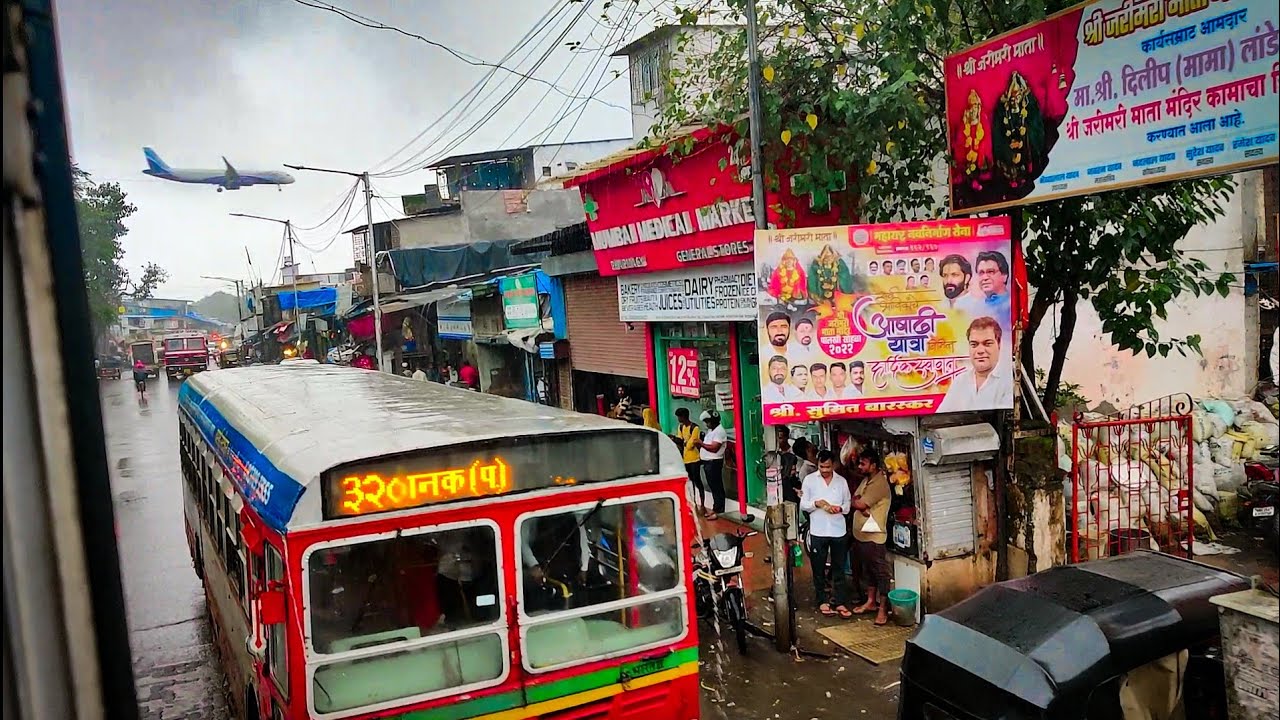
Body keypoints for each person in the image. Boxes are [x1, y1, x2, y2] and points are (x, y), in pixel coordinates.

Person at [799, 450, 852, 618]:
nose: (824, 470)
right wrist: (817, 503)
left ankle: (840, 601)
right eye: (821, 467)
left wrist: (839, 508)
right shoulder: (809, 480)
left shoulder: (841, 482)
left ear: (833, 465)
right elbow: (803, 505)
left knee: (839, 568)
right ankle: (822, 600)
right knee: (818, 568)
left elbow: (848, 504)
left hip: (838, 530)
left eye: (828, 467)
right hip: (818, 530)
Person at [850, 448, 892, 625]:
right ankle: (870, 602)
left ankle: (883, 609)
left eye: (863, 464)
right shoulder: (867, 480)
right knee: (868, 571)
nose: (859, 467)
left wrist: (859, 504)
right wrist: (858, 502)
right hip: (862, 536)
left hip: (875, 537)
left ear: (873, 465)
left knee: (880, 573)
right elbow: (855, 498)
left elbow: (859, 502)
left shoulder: (879, 483)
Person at [938, 317, 1013, 413]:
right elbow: (940, 416)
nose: (980, 351)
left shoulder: (1009, 381)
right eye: (974, 344)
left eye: (987, 344)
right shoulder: (960, 381)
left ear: (999, 344)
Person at [694, 410, 727, 519]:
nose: (706, 424)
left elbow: (714, 448)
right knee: (713, 485)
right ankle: (716, 507)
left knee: (716, 486)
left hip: (714, 462)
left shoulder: (719, 432)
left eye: (707, 422)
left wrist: (701, 444)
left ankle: (718, 509)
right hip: (708, 462)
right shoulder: (711, 431)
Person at [675, 408, 705, 515]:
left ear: (684, 416)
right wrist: (681, 441)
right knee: (690, 482)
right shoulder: (681, 427)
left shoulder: (695, 428)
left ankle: (702, 503)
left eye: (679, 417)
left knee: (697, 481)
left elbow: (690, 445)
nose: (678, 419)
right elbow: (680, 440)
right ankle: (693, 502)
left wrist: (684, 442)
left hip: (694, 459)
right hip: (685, 459)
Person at [974, 250, 1012, 329]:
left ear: (1004, 276)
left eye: (990, 272)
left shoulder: (1011, 306)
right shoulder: (976, 307)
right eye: (981, 273)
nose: (985, 278)